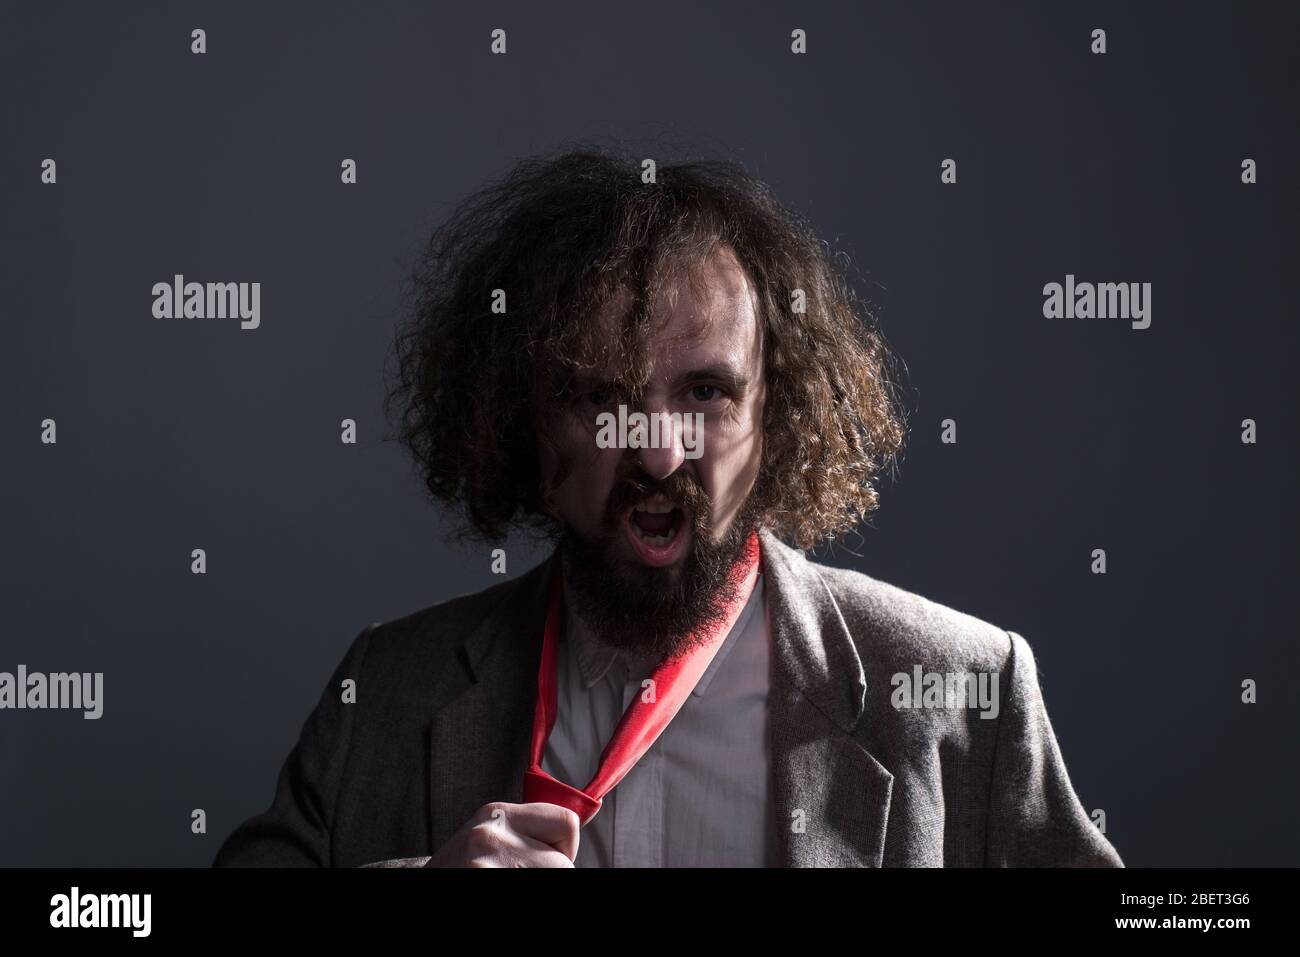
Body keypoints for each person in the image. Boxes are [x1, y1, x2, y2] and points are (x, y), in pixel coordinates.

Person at [213, 146, 1122, 868]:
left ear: (779, 415)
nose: (658, 451)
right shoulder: (386, 690)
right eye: (604, 400)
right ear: (524, 424)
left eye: (705, 394)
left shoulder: (968, 690)